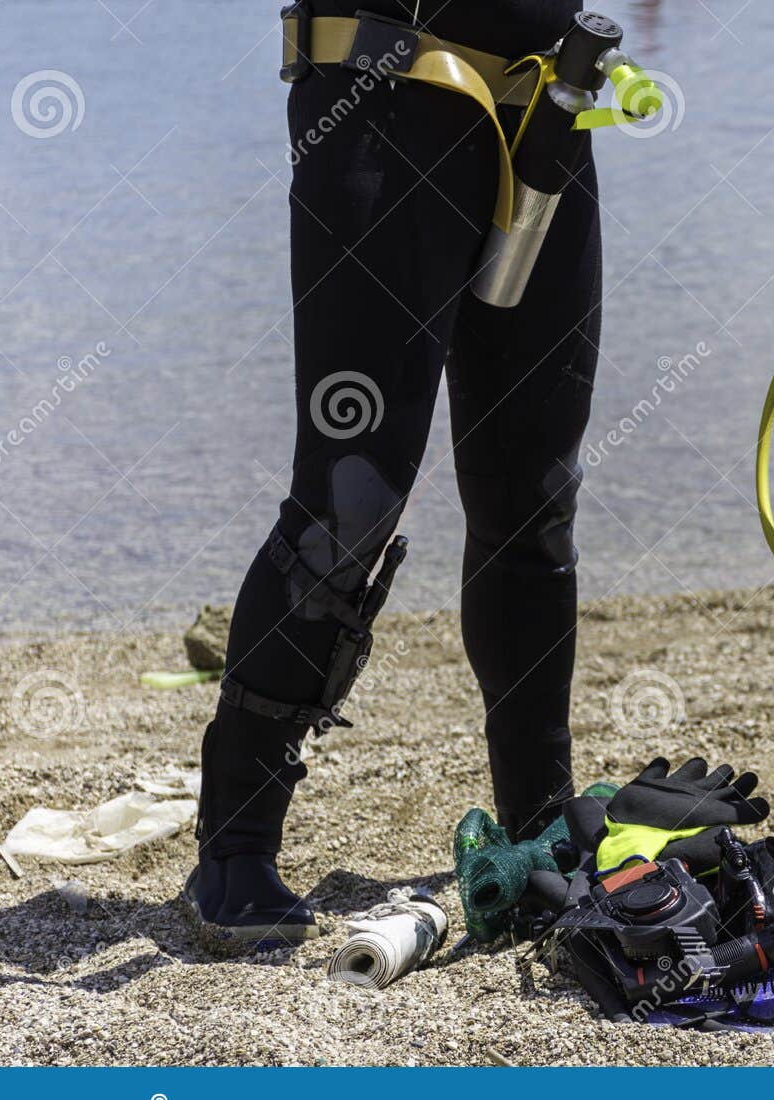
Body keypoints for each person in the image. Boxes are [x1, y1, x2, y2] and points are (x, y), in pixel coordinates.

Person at [186, 0, 600, 947]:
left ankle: (539, 825)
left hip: (548, 110)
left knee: (534, 496)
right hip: (378, 99)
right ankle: (234, 844)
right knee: (350, 502)